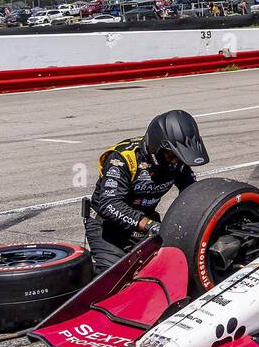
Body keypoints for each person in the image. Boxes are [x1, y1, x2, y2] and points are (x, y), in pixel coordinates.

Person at [85, 110, 209, 272]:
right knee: (114, 275)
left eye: (179, 157)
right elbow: (109, 204)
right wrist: (149, 225)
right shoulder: (123, 159)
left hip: (146, 220)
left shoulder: (177, 162)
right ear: (157, 147)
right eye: (172, 155)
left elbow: (192, 193)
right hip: (106, 225)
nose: (175, 161)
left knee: (171, 266)